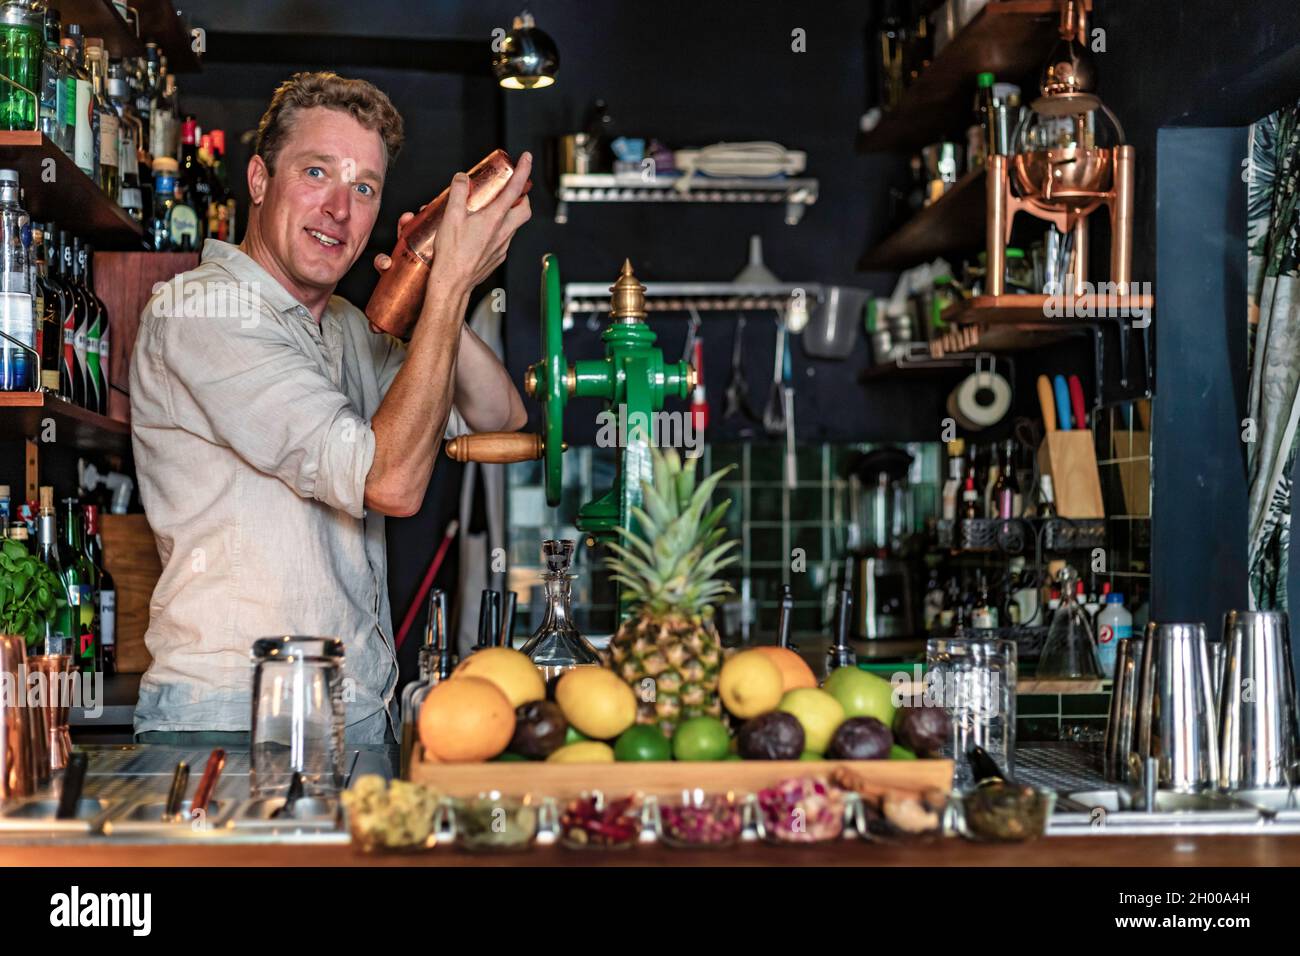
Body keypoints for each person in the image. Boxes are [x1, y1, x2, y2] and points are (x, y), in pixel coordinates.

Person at [129, 71, 531, 750]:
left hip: (361, 714)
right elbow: (391, 483)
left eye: (364, 187)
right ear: (259, 180)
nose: (339, 210)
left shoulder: (348, 327)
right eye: (317, 172)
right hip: (231, 719)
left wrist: (438, 286)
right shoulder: (199, 311)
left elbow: (498, 419)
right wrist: (453, 283)